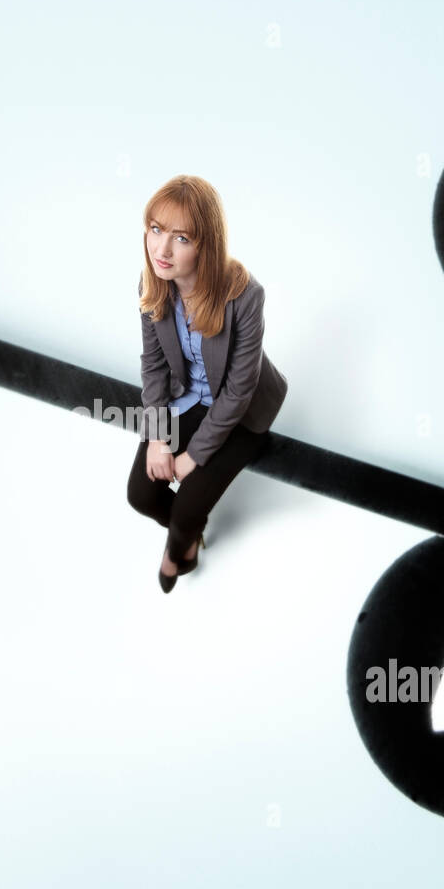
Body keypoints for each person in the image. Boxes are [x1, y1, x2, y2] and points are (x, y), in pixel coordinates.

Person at [126, 174, 288, 592]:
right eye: (156, 230)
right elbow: (154, 368)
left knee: (186, 510)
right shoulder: (151, 284)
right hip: (188, 397)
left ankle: (181, 548)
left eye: (181, 238)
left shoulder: (245, 296)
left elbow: (238, 391)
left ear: (206, 244)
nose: (162, 248)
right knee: (141, 495)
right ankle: (189, 531)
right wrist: (160, 440)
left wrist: (192, 457)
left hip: (242, 411)